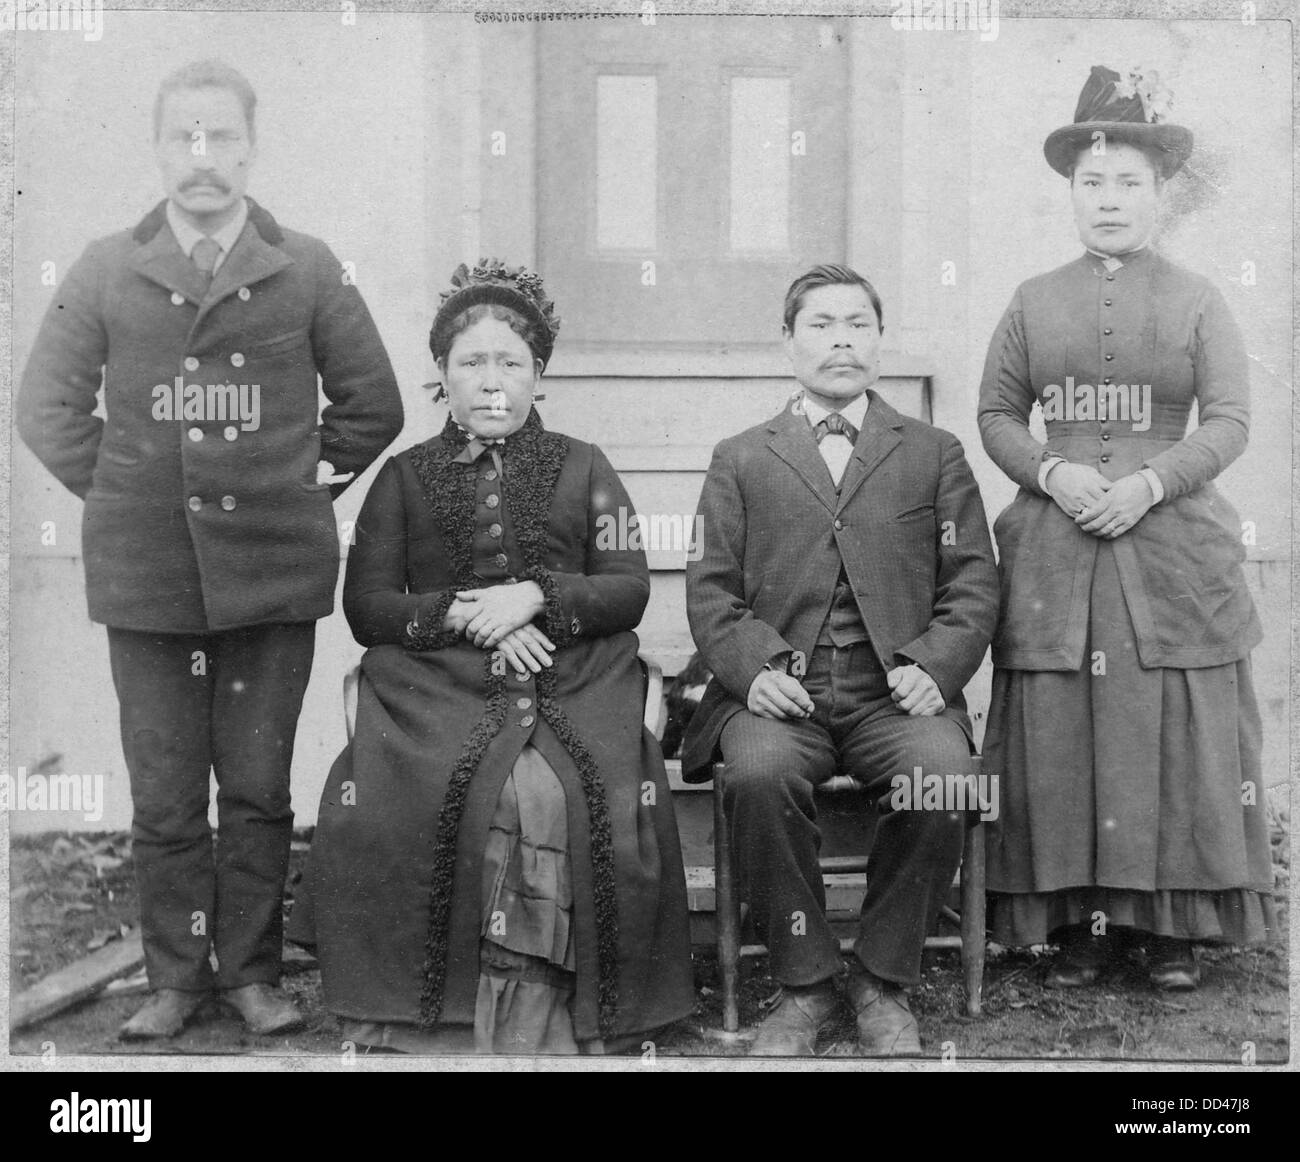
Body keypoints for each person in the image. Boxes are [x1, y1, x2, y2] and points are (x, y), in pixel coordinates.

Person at [16, 59, 405, 1039]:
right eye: (183, 137)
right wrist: (125, 490)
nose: (203, 159)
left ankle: (255, 975)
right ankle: (175, 978)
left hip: (271, 574)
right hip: (147, 577)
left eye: (222, 137)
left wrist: (300, 480)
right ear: (156, 149)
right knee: (163, 786)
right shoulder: (106, 266)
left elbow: (374, 404)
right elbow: (44, 406)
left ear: (250, 146)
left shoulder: (307, 266)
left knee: (257, 784)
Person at [289, 260, 695, 1054]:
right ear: (442, 375)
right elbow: (369, 609)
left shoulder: (585, 465)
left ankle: (557, 1015)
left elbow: (628, 590)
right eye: (471, 363)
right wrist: (468, 613)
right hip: (438, 683)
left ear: (538, 374)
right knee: (425, 793)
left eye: (511, 363)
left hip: (572, 678)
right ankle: (424, 1015)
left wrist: (537, 596)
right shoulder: (403, 476)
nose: (492, 382)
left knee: (549, 793)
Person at [977, 65, 1274, 991]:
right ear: (1071, 191)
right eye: (1092, 183)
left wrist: (1149, 483)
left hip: (1172, 544)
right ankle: (1076, 927)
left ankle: (1170, 930)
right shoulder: (1032, 299)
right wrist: (1056, 472)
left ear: (1160, 194)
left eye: (1129, 183)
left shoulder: (1196, 298)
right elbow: (995, 416)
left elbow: (1229, 419)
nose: (1109, 200)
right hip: (1059, 545)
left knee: (1170, 726)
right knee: (1067, 730)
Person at [682, 264, 999, 1056]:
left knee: (944, 775)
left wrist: (935, 663)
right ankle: (805, 984)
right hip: (778, 697)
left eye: (859, 324)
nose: (842, 341)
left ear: (880, 342)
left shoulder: (932, 452)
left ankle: (882, 979)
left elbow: (973, 581)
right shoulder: (742, 458)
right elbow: (710, 591)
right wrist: (754, 670)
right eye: (821, 325)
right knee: (757, 776)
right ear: (787, 343)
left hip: (895, 697)